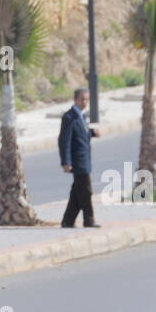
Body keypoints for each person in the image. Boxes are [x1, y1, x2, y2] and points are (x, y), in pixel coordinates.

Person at [59, 87, 100, 228]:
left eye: (87, 99)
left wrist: (92, 133)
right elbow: (64, 141)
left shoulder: (82, 116)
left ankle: (68, 221)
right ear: (75, 100)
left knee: (77, 192)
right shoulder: (69, 117)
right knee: (86, 190)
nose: (84, 102)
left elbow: (82, 135)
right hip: (78, 161)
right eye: (82, 99)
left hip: (85, 159)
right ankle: (89, 220)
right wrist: (66, 161)